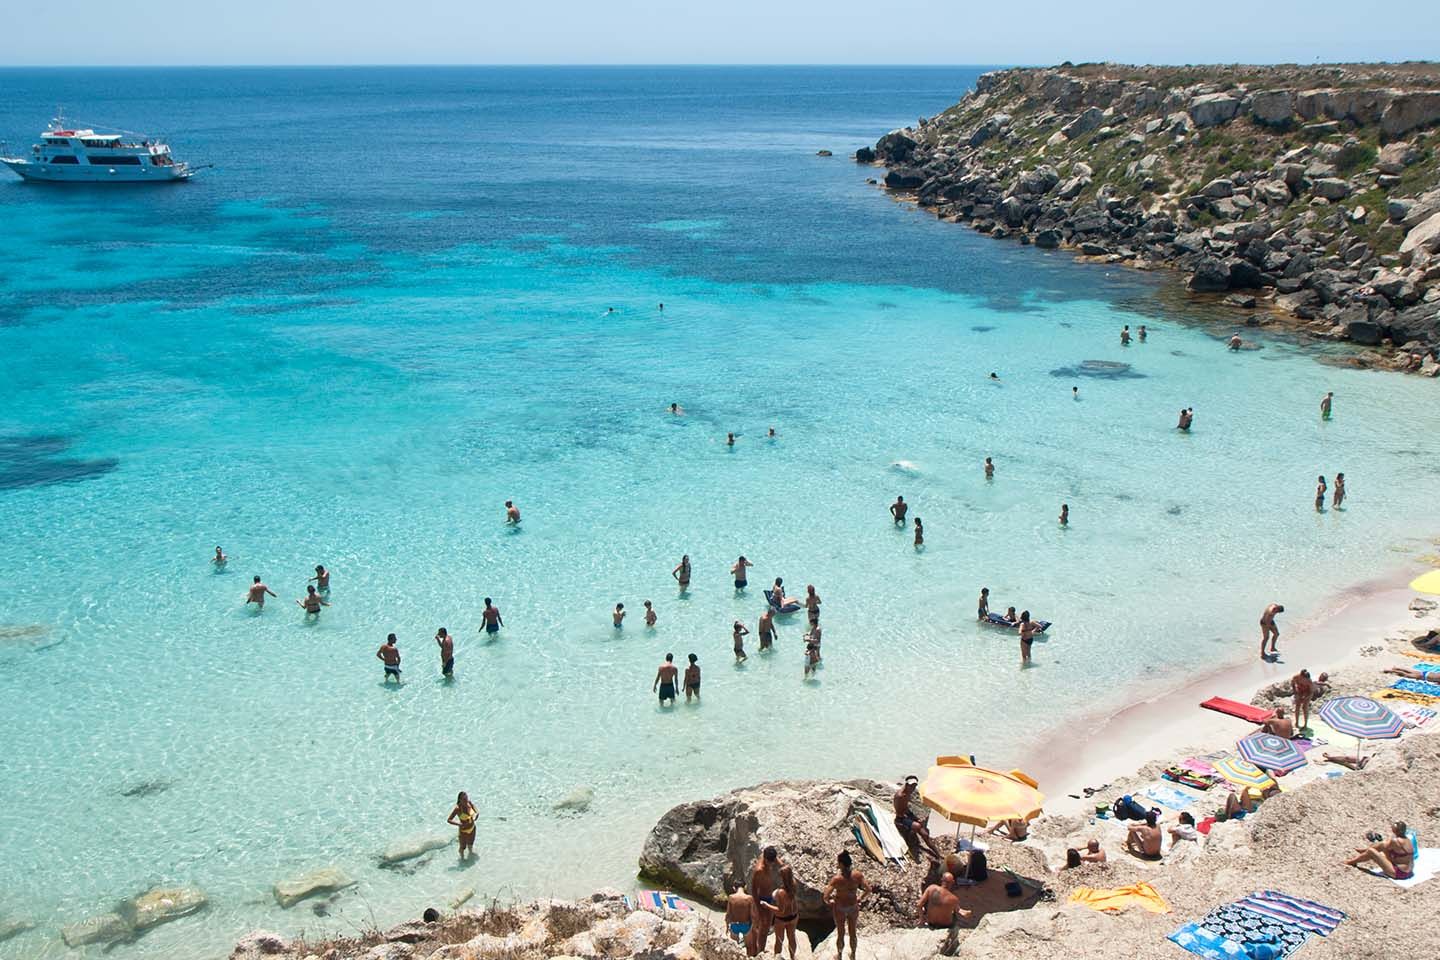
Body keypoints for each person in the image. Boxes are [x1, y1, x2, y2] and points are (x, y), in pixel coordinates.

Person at [823, 850, 869, 960]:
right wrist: (860, 898)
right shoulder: (857, 875)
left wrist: (830, 902)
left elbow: (825, 896)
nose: (837, 864)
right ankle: (853, 954)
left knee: (841, 933)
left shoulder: (837, 879)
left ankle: (839, 955)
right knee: (853, 933)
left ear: (842, 864)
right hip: (853, 906)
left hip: (840, 907)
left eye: (838, 862)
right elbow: (868, 889)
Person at [1345, 822, 1416, 879]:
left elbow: (1386, 846)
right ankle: (1364, 850)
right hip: (1408, 871)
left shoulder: (1395, 841)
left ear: (1395, 830)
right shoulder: (1407, 839)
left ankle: (1351, 862)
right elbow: (1384, 845)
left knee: (1371, 851)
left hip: (1399, 873)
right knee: (1383, 844)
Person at [894, 776, 941, 859]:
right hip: (900, 818)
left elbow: (906, 808)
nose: (913, 788)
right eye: (911, 786)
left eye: (915, 786)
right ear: (907, 785)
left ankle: (938, 854)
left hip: (906, 815)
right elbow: (899, 812)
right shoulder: (900, 796)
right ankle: (911, 843)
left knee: (925, 834)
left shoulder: (908, 792)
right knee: (918, 826)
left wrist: (914, 817)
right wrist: (910, 820)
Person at [758, 884, 799, 960]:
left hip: (781, 919)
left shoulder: (780, 892)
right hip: (793, 916)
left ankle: (777, 957)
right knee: (792, 937)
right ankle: (792, 957)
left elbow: (781, 910)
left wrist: (767, 905)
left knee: (779, 940)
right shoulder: (793, 887)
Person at [723, 880, 755, 950]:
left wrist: (727, 927)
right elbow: (752, 915)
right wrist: (753, 928)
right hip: (746, 925)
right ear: (745, 887)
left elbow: (728, 914)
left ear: (734, 888)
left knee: (734, 948)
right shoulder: (749, 898)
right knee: (749, 947)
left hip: (734, 924)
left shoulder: (731, 897)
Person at [447, 791, 477, 858]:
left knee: (470, 844)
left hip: (472, 828)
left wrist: (477, 812)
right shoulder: (458, 809)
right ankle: (462, 858)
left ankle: (470, 854)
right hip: (463, 831)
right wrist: (459, 824)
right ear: (460, 800)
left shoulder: (469, 803)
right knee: (463, 847)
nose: (466, 800)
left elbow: (474, 807)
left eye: (466, 798)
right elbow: (449, 820)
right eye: (464, 799)